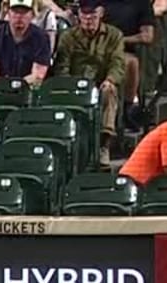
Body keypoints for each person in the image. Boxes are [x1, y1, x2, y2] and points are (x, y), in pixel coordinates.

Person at [51, 0, 126, 167]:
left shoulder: (115, 35)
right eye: (84, 17)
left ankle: (103, 145)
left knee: (109, 92)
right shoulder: (68, 37)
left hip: (101, 83)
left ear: (100, 14)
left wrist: (110, 80)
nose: (88, 21)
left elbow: (118, 63)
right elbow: (62, 66)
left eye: (92, 17)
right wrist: (69, 85)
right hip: (75, 85)